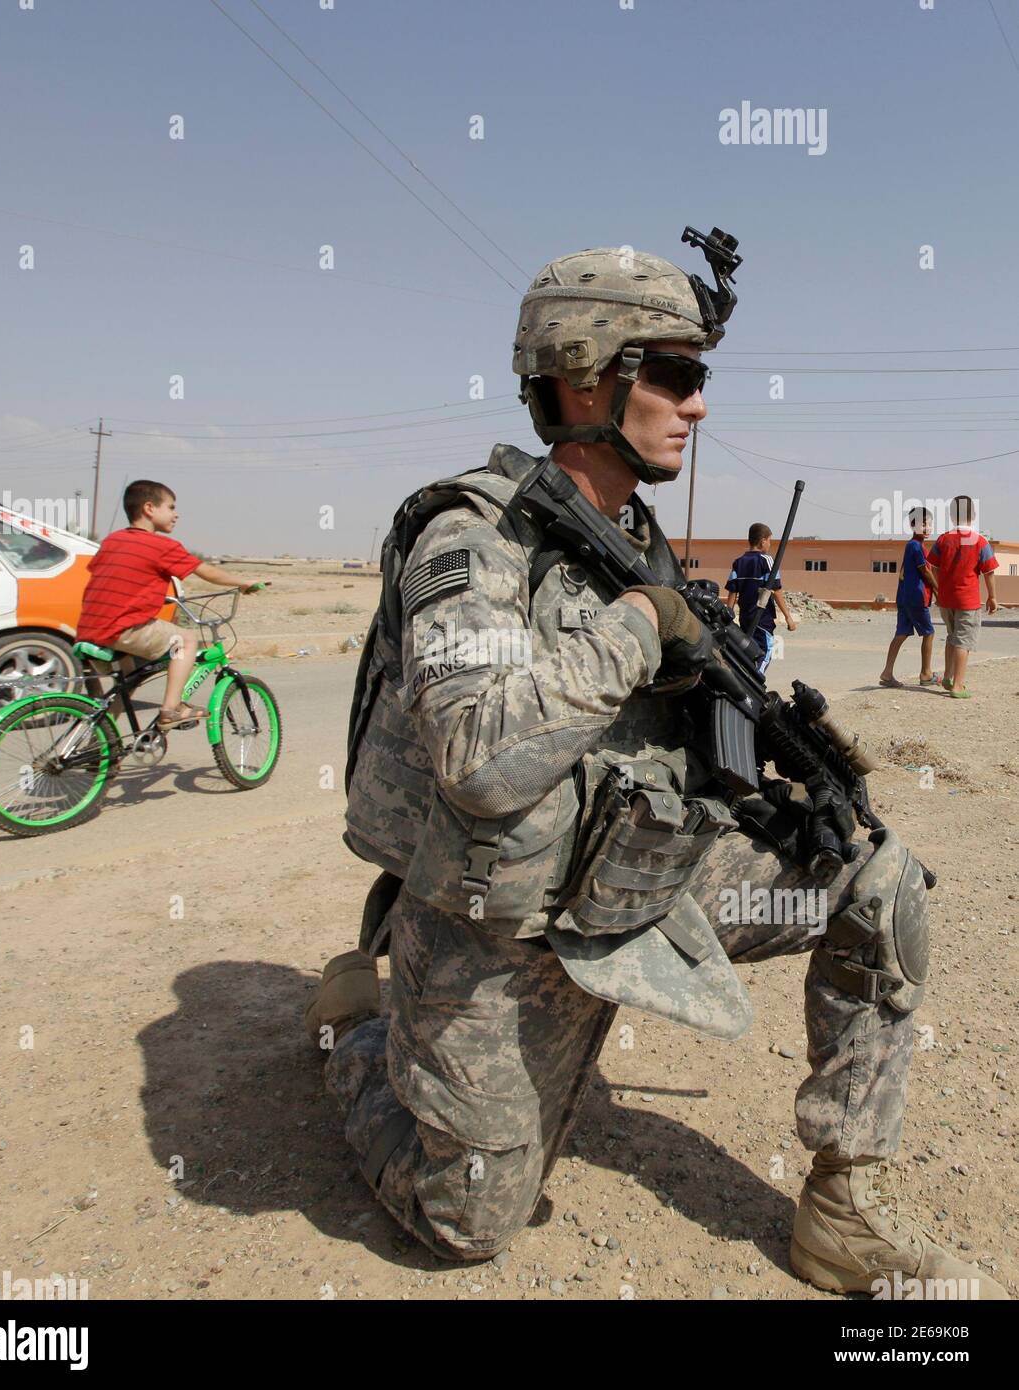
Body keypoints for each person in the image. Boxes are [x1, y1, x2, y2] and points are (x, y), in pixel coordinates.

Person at [306, 243, 1006, 1297]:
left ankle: (843, 1211)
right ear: (585, 375)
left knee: (877, 876)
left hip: (634, 887)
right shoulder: (474, 536)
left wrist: (772, 777)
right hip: (503, 924)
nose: (697, 405)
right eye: (675, 375)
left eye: (697, 378)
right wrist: (639, 625)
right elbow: (478, 757)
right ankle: (359, 1019)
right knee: (467, 1219)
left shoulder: (636, 541)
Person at [76, 480, 258, 730]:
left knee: (128, 682)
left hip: (88, 629)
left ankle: (100, 741)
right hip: (121, 628)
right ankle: (171, 709)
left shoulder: (112, 540)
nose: (176, 514)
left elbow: (117, 577)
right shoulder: (161, 546)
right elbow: (205, 571)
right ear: (149, 508)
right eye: (171, 507)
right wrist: (244, 583)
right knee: (186, 640)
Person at [926, 496, 999, 699]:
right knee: (963, 642)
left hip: (946, 600)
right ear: (973, 515)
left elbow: (934, 567)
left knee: (952, 636)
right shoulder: (980, 541)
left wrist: (940, 589)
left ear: (951, 515)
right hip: (968, 601)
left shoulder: (943, 540)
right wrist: (992, 597)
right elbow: (989, 572)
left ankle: (948, 677)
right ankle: (958, 686)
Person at [724, 522, 797, 673]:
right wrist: (788, 617)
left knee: (749, 652)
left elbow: (733, 591)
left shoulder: (739, 562)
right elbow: (776, 590)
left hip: (745, 618)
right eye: (769, 541)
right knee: (764, 654)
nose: (770, 544)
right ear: (763, 541)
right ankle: (755, 681)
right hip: (762, 618)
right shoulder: (766, 560)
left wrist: (728, 615)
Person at [879, 507, 939, 689]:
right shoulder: (915, 546)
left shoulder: (913, 546)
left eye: (929, 524)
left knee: (902, 633)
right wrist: (938, 589)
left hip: (905, 597)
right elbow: (924, 570)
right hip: (916, 597)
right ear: (913, 525)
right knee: (929, 633)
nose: (927, 528)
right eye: (923, 524)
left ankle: (887, 673)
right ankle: (926, 673)